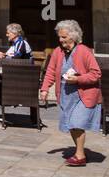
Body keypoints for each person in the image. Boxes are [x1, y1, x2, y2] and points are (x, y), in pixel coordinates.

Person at [40, 19, 102, 167]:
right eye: (60, 37)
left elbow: (96, 73)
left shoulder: (84, 51)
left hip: (84, 94)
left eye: (64, 37)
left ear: (73, 36)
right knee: (72, 125)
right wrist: (44, 88)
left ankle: (80, 156)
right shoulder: (57, 52)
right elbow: (50, 71)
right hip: (66, 94)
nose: (60, 40)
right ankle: (79, 151)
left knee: (76, 122)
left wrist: (78, 79)